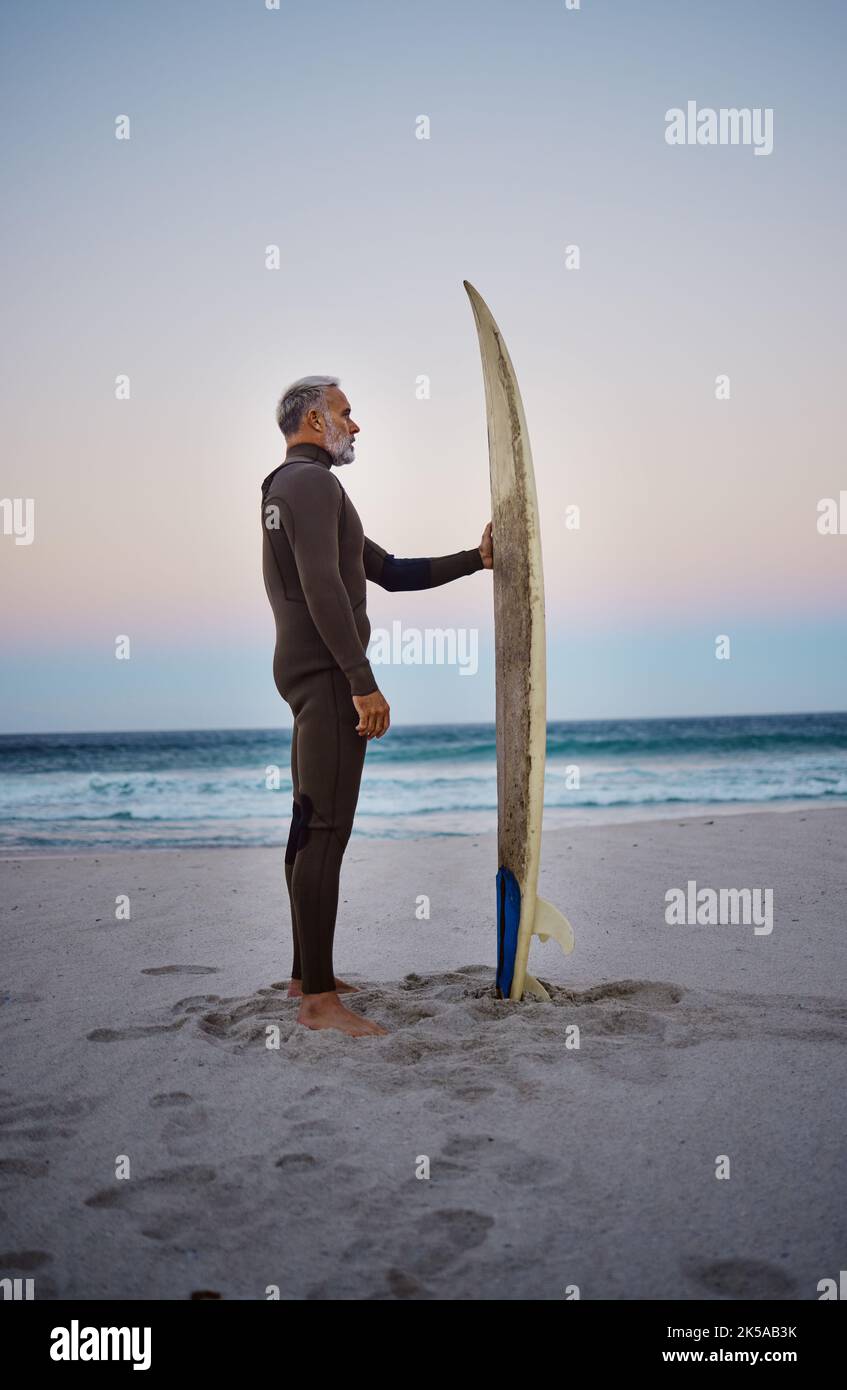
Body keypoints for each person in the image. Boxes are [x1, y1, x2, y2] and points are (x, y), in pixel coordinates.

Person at [261, 375, 493, 1037]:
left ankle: (307, 977)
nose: (354, 426)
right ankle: (318, 1005)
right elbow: (321, 588)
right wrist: (361, 680)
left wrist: (475, 561)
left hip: (304, 670)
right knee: (325, 833)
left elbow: (386, 570)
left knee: (307, 824)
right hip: (329, 675)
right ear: (313, 418)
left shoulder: (291, 488)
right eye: (345, 413)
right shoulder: (311, 484)